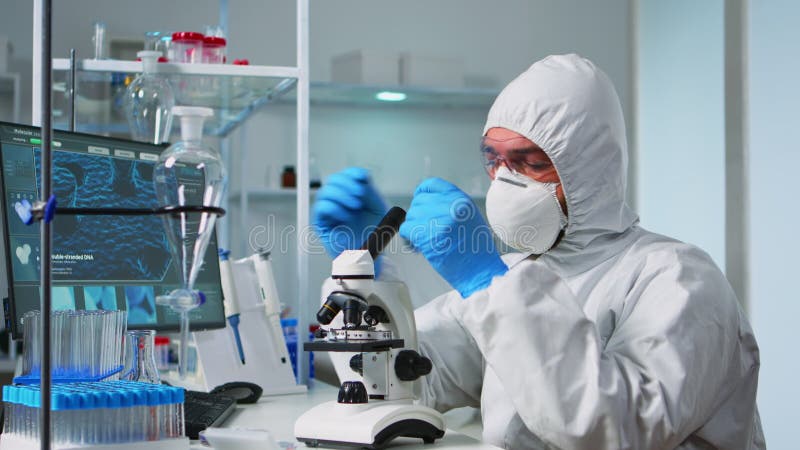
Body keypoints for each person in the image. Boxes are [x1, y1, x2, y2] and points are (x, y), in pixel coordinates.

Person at [312, 54, 764, 449]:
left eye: (531, 162)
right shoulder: (513, 274)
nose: (506, 181)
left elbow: (612, 430)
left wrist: (486, 283)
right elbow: (408, 380)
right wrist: (361, 268)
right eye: (495, 159)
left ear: (589, 170)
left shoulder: (679, 279)